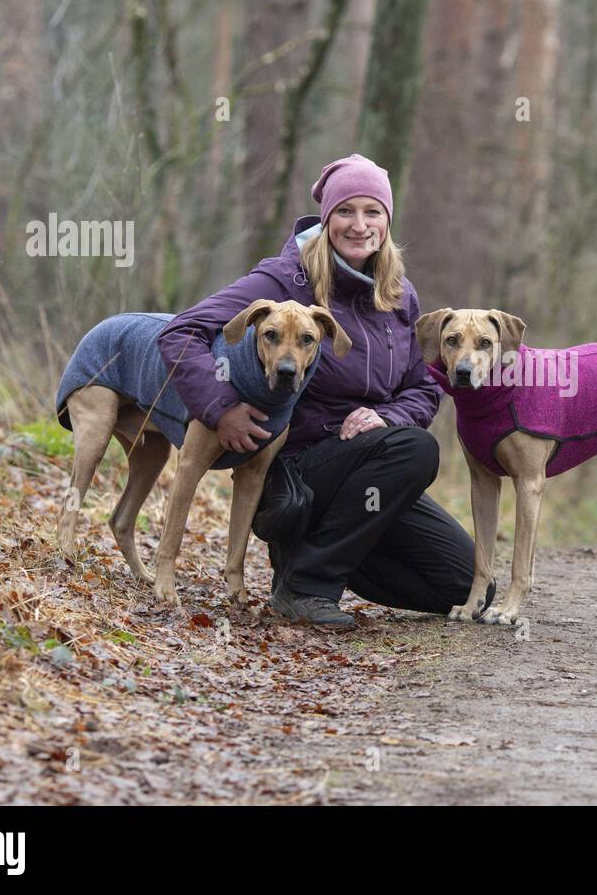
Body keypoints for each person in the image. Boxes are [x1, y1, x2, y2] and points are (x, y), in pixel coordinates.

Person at [157, 153, 486, 627]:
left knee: (467, 584)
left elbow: (423, 387)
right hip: (299, 465)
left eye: (372, 212)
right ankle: (305, 585)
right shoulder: (282, 280)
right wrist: (219, 406)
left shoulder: (399, 295)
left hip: (372, 469)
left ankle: (317, 556)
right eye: (345, 211)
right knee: (416, 450)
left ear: (387, 222)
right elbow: (180, 332)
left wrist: (387, 417)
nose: (359, 225)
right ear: (327, 217)